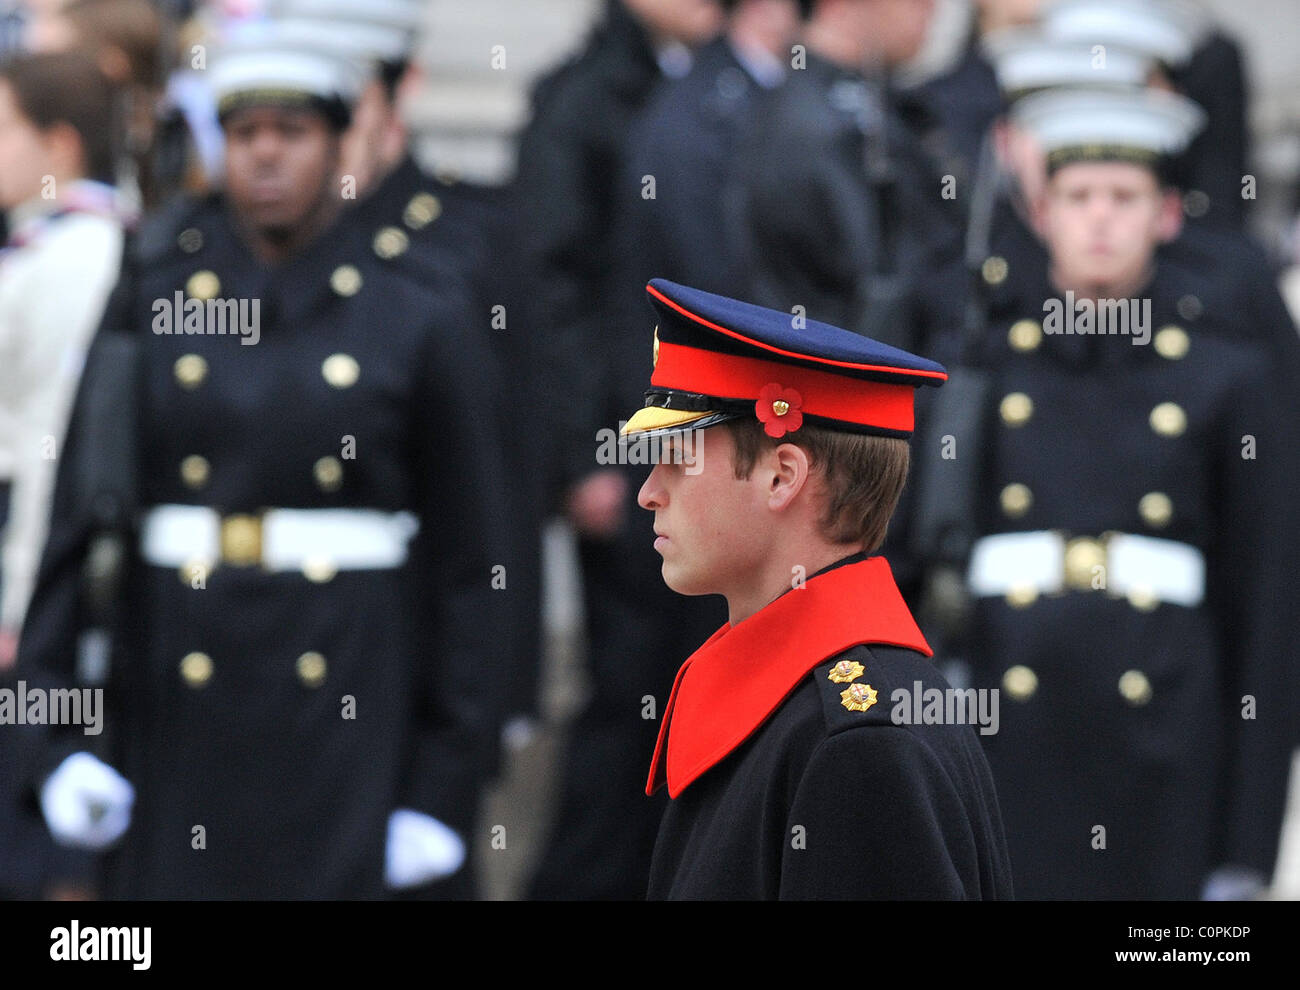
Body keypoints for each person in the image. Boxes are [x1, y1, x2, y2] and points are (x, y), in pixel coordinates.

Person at [17, 25, 509, 899]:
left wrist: (443, 789)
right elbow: (84, 510)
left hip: (349, 688)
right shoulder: (159, 285)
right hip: (181, 685)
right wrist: (56, 736)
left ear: (339, 142)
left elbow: (472, 561)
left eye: (294, 133)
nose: (268, 157)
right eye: (246, 135)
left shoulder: (415, 303)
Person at [929, 85, 1299, 898]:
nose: (1100, 219)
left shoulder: (1226, 378)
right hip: (1007, 736)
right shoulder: (983, 371)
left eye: (1123, 198)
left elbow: (1267, 614)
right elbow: (925, 567)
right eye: (1078, 196)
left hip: (1165, 749)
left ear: (1166, 215)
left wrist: (1245, 849)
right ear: (1040, 210)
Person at [617, 278, 1013, 899]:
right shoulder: (811, 709)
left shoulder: (857, 747)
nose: (648, 493)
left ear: (781, 476)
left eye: (678, 458)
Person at [514, 0, 728, 901]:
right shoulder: (583, 100)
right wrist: (582, 455)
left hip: (678, 443)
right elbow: (548, 288)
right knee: (626, 700)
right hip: (623, 450)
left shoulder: (685, 82)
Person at [0, 49, 130, 900]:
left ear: (60, 144)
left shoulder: (68, 260)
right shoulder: (72, 246)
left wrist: (18, 601)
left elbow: (49, 442)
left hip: (29, 587)